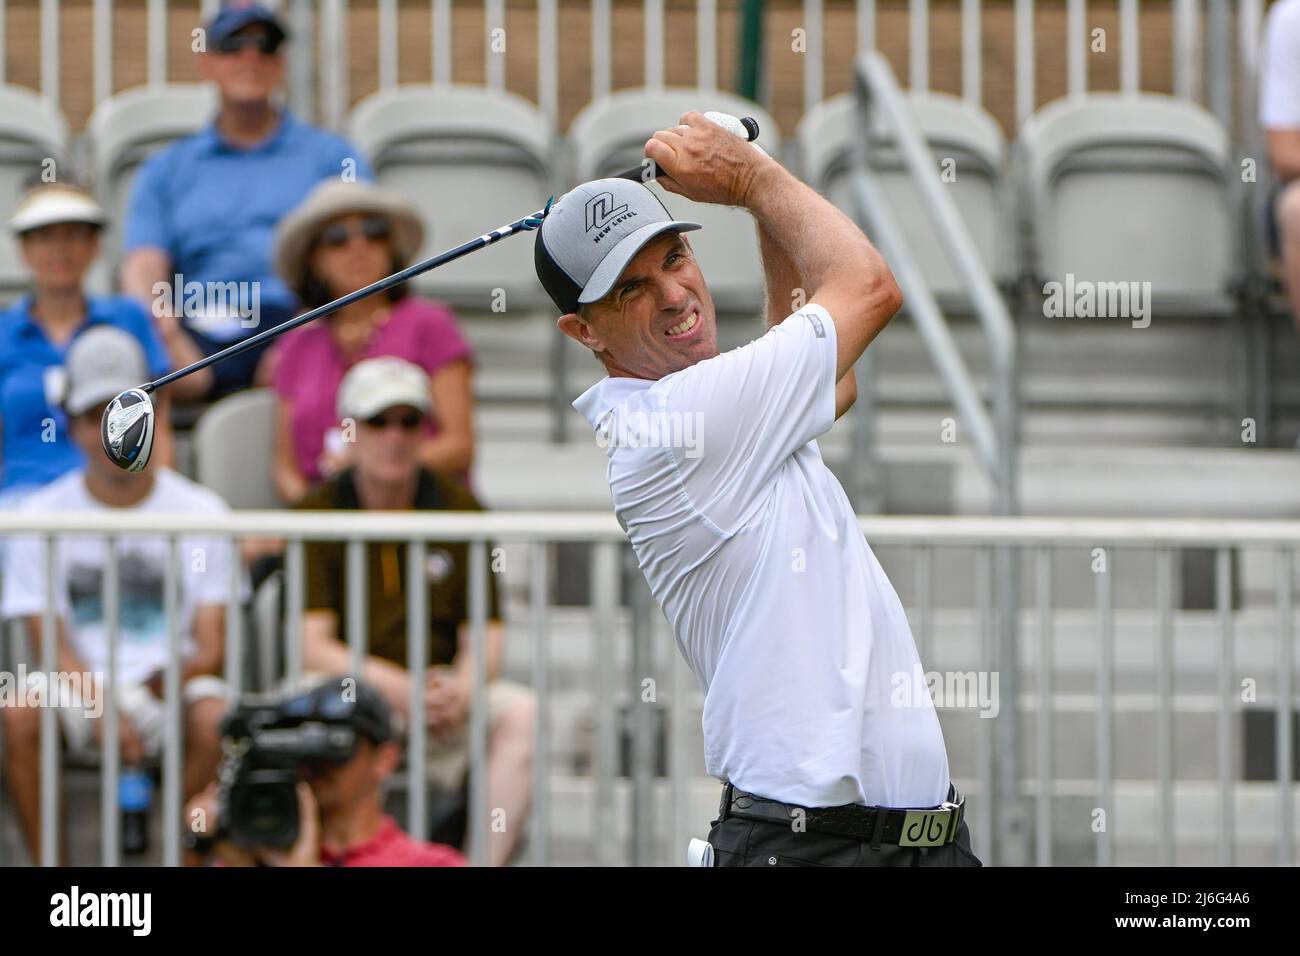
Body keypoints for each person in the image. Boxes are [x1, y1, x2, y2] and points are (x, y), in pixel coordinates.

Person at [532, 112, 979, 866]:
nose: (675, 294)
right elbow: (868, 288)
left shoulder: (714, 410)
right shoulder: (676, 422)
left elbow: (831, 382)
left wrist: (753, 197)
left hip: (913, 844)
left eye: (675, 256)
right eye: (632, 289)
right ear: (586, 334)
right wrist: (751, 178)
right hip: (808, 851)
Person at [0, 326, 236, 865]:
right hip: (78, 687)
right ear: (70, 423)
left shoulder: (205, 514)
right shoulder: (39, 517)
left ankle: (180, 861)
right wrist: (105, 709)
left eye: (124, 412)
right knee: (19, 711)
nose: (112, 432)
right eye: (94, 416)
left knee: (214, 714)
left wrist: (165, 682)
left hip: (169, 685)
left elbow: (209, 647)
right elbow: (52, 648)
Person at [295, 357, 534, 867]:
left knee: (519, 713)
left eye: (410, 421)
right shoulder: (315, 512)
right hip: (349, 701)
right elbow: (312, 644)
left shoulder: (460, 507)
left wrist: (460, 692)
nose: (395, 436)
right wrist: (404, 691)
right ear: (350, 432)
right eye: (379, 422)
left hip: (442, 701)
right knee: (291, 705)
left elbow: (485, 636)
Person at [120, 2, 374, 400]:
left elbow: (366, 252)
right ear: (206, 63)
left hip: (296, 321)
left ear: (281, 63)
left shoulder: (331, 156)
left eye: (266, 44)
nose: (251, 56)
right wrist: (163, 328)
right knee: (128, 360)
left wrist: (311, 329)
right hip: (193, 326)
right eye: (233, 44)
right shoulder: (166, 168)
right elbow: (142, 266)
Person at [268, 180, 476, 504]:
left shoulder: (431, 323)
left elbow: (459, 446)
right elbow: (285, 468)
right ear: (313, 259)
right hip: (328, 529)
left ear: (391, 249)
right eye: (337, 238)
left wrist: (370, 471)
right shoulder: (296, 342)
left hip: (420, 514)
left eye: (374, 232)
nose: (359, 245)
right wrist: (315, 517)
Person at [0, 183, 175, 509]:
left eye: (74, 235)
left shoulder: (128, 317)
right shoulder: (3, 332)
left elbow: (157, 427)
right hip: (21, 505)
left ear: (95, 246)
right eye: (44, 236)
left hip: (117, 497)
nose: (60, 248)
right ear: (24, 250)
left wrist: (158, 508)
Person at [185, 676, 466, 867]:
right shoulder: (255, 853)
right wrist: (201, 838)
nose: (314, 764)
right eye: (300, 747)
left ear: (385, 759)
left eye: (335, 747)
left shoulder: (431, 863)